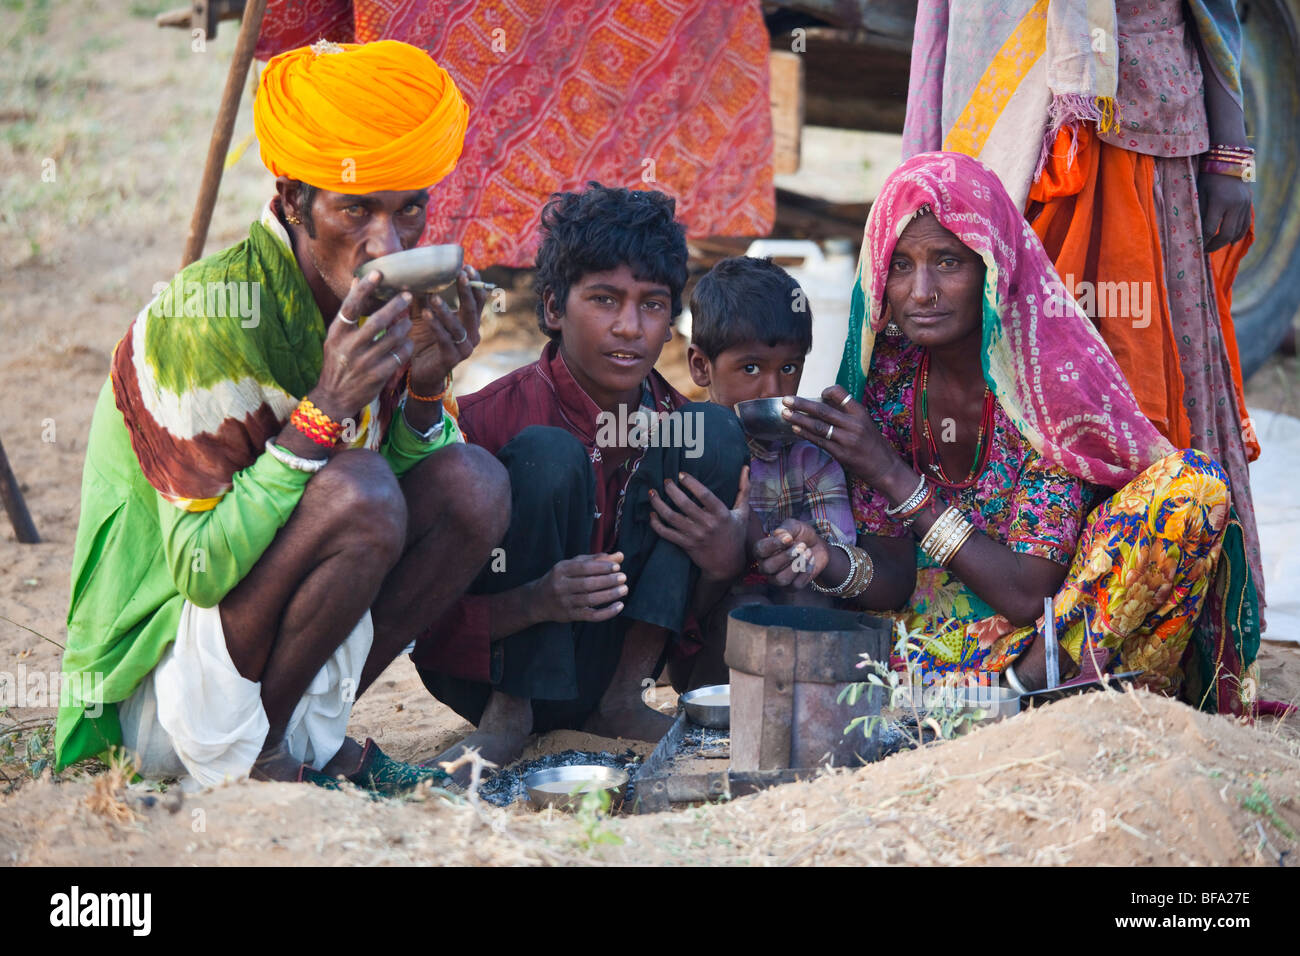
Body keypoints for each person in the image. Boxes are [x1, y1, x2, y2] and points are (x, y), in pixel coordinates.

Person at [53, 40, 510, 792]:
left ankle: (304, 738)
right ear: (294, 201)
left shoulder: (382, 309)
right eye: (355, 209)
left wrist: (425, 392)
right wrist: (324, 411)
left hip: (269, 688)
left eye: (409, 211)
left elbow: (394, 517)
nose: (385, 245)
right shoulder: (204, 319)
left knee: (474, 485)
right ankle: (262, 762)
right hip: (157, 712)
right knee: (357, 488)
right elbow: (200, 571)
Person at [774, 152, 1257, 712]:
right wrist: (828, 561)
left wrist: (888, 472)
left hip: (1066, 632)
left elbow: (1030, 592)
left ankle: (1024, 692)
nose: (920, 291)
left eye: (948, 261)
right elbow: (895, 575)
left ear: (992, 265)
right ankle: (990, 699)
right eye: (900, 265)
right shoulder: (887, 370)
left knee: (1192, 488)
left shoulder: (1042, 374)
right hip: (932, 638)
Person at [901, 0, 1264, 621]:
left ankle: (1145, 622)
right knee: (1021, 394)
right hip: (1008, 132)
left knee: (1138, 392)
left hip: (1136, 121)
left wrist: (1230, 143)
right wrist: (927, 166)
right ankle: (1014, 617)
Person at [412, 184, 750, 780]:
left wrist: (722, 563)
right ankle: (509, 715)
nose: (629, 326)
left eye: (652, 305)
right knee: (548, 454)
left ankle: (623, 700)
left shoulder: (678, 427)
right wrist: (535, 600)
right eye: (603, 299)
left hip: (609, 669)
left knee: (715, 429)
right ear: (551, 309)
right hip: (486, 668)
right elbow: (426, 621)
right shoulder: (484, 422)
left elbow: (692, 619)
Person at [675, 255, 855, 689]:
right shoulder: (683, 444)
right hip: (706, 641)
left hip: (794, 624)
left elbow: (839, 550)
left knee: (806, 597)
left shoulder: (811, 456)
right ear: (701, 367)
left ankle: (805, 711)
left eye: (789, 368)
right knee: (746, 603)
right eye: (750, 368)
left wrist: (811, 551)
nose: (774, 389)